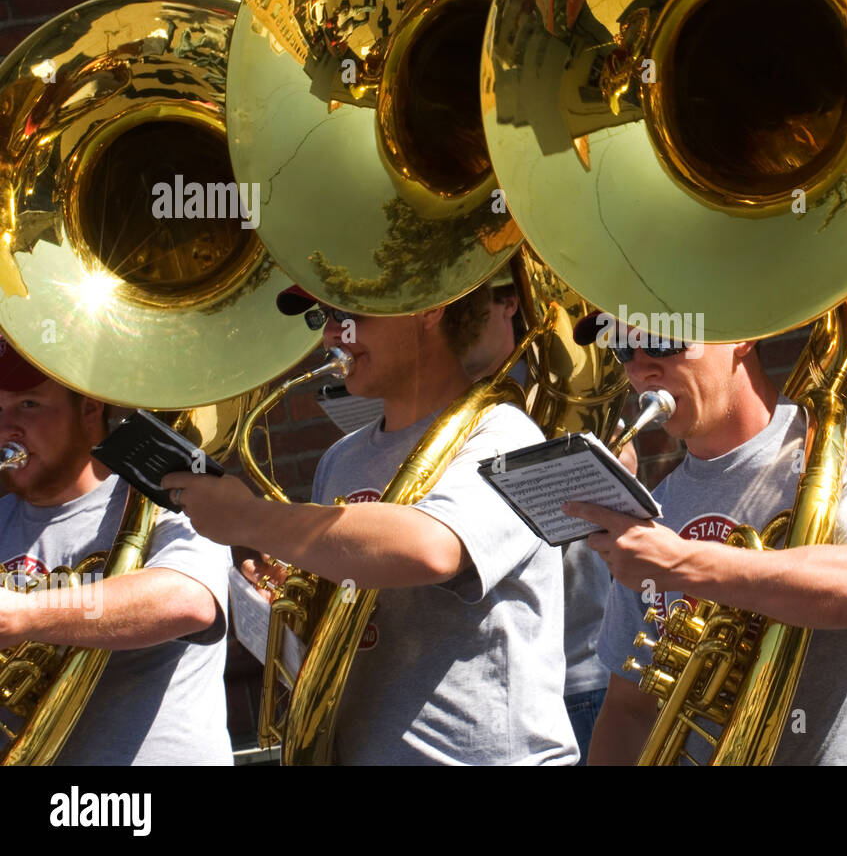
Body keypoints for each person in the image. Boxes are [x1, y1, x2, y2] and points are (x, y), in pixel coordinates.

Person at [163, 285, 577, 765]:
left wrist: (250, 518)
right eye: (325, 317)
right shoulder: (343, 459)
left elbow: (431, 549)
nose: (332, 337)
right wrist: (295, 600)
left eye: (347, 312)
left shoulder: (506, 435)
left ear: (429, 306)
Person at [568, 318, 847, 765]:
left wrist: (684, 563)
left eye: (662, 342)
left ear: (740, 332)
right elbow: (629, 708)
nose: (642, 370)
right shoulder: (655, 510)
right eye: (624, 348)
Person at [0, 340, 232, 765]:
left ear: (89, 405)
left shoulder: (171, 494)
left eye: (28, 405)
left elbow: (185, 601)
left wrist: (25, 615)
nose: (5, 428)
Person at [457, 279, 616, 764]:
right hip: (488, 684)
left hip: (580, 668)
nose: (454, 318)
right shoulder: (444, 407)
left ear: (510, 302)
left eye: (468, 303)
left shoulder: (565, 392)